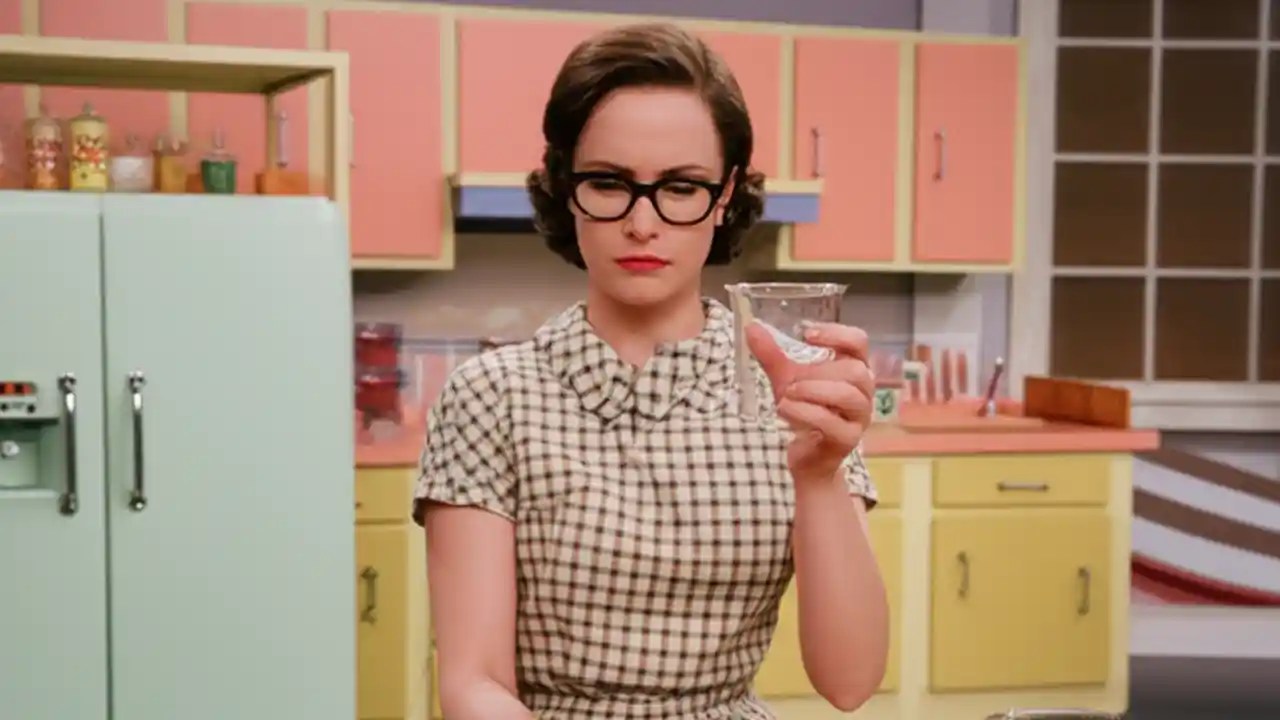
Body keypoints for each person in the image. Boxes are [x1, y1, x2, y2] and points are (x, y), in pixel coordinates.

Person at [414, 21, 888, 720]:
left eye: (681, 186)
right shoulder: (493, 396)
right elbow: (473, 684)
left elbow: (850, 683)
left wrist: (819, 475)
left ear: (724, 195)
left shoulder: (787, 388)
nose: (643, 223)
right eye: (609, 183)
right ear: (565, 188)